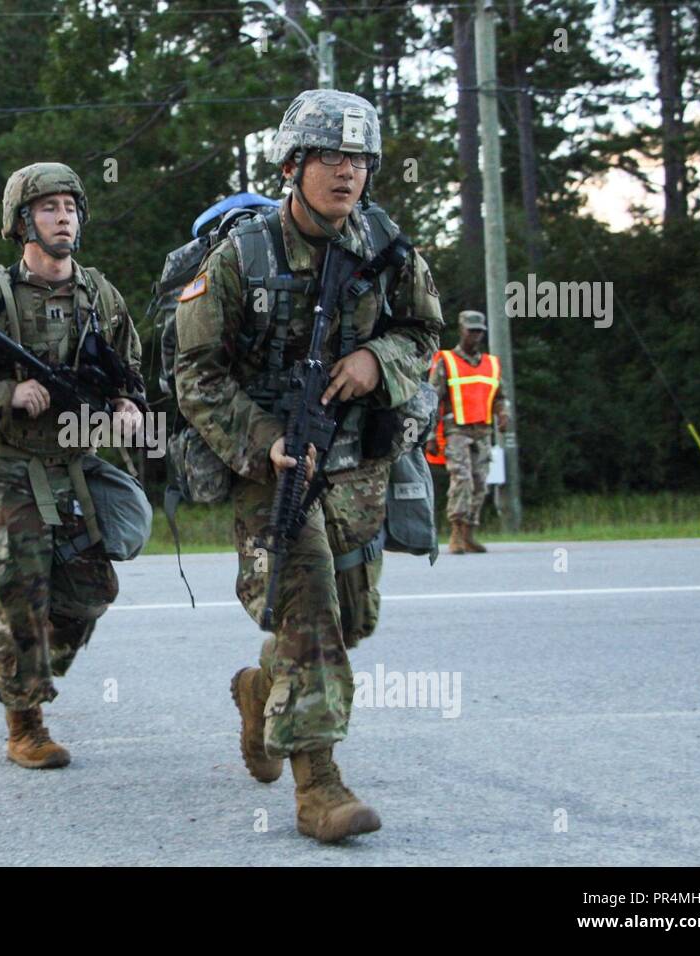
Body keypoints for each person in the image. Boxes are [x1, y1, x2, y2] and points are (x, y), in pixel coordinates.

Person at [173, 90, 443, 844]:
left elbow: (424, 332)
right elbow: (194, 370)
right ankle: (319, 786)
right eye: (329, 156)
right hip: (274, 466)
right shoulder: (243, 256)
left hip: (357, 459)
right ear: (293, 165)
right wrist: (261, 439)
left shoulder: (387, 246)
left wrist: (373, 359)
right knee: (312, 609)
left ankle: (263, 690)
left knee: (349, 618)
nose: (345, 171)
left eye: (358, 158)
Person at [0, 163, 146, 769]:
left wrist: (129, 404)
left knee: (89, 592)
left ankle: (24, 674)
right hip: (4, 465)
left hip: (73, 461)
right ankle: (25, 720)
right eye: (49, 208)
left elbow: (131, 369)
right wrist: (6, 397)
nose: (64, 218)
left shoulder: (99, 296)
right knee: (19, 593)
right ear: (23, 220)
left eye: (71, 207)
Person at [427, 309, 510, 553]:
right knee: (461, 479)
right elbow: (433, 399)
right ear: (461, 330)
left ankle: (469, 533)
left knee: (480, 482)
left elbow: (500, 396)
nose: (475, 336)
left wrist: (503, 414)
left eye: (479, 332)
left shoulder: (491, 364)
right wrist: (430, 435)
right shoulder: (447, 361)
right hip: (457, 431)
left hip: (483, 432)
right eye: (471, 331)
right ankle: (456, 532)